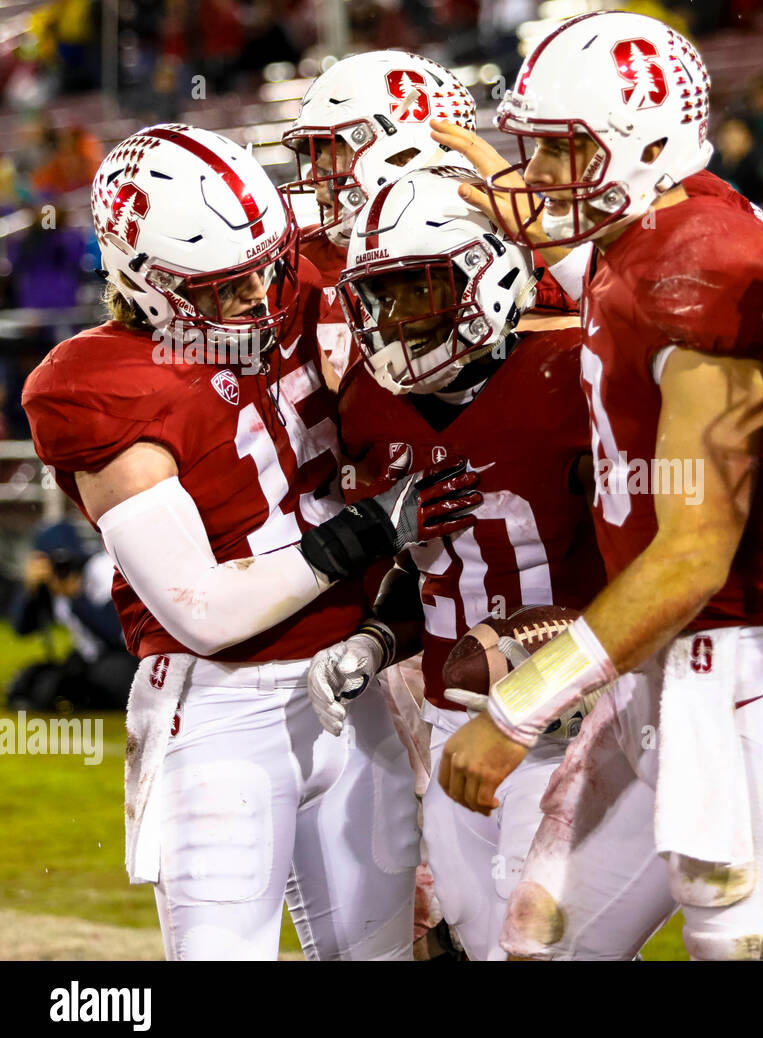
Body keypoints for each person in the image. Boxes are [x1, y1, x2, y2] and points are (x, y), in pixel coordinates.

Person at [432, 10, 763, 960]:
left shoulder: (701, 271)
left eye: (562, 153)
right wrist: (475, 179)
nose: (539, 178)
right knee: (539, 934)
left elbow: (692, 557)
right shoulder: (651, 225)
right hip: (662, 664)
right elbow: (602, 266)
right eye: (536, 150)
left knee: (746, 946)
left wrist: (520, 709)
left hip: (744, 665)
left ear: (650, 144)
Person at [22, 123, 482, 961]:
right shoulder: (100, 382)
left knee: (380, 953)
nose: (262, 298)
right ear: (144, 279)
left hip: (351, 680)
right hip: (220, 708)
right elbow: (203, 610)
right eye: (227, 285)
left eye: (269, 268)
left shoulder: (300, 281)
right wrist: (372, 528)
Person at [306, 165, 606, 960]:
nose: (399, 318)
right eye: (383, 296)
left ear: (494, 270)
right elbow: (430, 563)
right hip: (448, 713)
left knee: (548, 939)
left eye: (422, 289)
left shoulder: (572, 369)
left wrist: (572, 649)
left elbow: (645, 561)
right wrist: (375, 639)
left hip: (571, 716)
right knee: (477, 935)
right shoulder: (369, 401)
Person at [281, 50, 478, 382]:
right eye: (313, 150)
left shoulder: (490, 251)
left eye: (329, 146)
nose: (317, 181)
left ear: (402, 152)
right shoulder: (296, 263)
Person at [7, 519, 134, 712]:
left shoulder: (104, 570)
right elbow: (22, 629)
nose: (64, 569)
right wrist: (30, 591)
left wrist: (76, 598)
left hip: (126, 657)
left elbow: (117, 633)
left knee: (111, 675)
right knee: (35, 679)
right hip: (89, 656)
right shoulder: (54, 581)